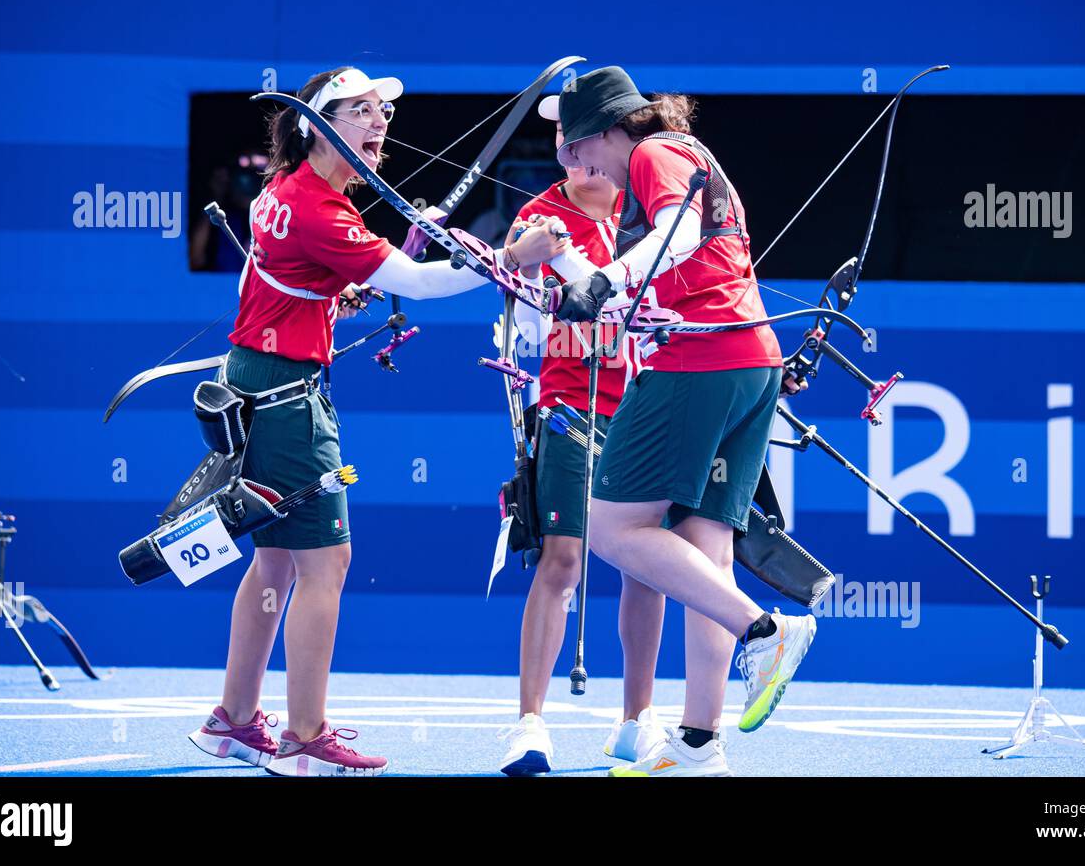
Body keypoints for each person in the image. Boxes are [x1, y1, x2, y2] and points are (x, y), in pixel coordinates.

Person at [186, 66, 566, 776]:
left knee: (274, 560)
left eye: (382, 111)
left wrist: (329, 296)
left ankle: (233, 719)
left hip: (253, 381)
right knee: (325, 561)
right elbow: (420, 283)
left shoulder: (287, 193)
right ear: (317, 125)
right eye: (360, 111)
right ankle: (302, 738)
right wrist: (513, 257)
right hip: (286, 398)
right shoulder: (320, 210)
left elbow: (272, 279)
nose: (379, 122)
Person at [553, 66, 817, 777]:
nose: (575, 164)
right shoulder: (686, 154)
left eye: (576, 147)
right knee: (706, 552)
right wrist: (579, 274)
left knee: (612, 527)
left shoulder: (653, 153)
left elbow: (681, 231)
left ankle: (765, 630)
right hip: (750, 360)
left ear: (610, 128)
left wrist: (607, 279)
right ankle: (700, 741)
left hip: (698, 363)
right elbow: (661, 270)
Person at [497, 95, 666, 775]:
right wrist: (523, 258)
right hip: (572, 405)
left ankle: (636, 721)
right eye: (559, 131)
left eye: (577, 130)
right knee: (562, 560)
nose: (567, 142)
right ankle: (529, 725)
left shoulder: (656, 208)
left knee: (647, 564)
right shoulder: (541, 214)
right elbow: (510, 279)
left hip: (650, 406)